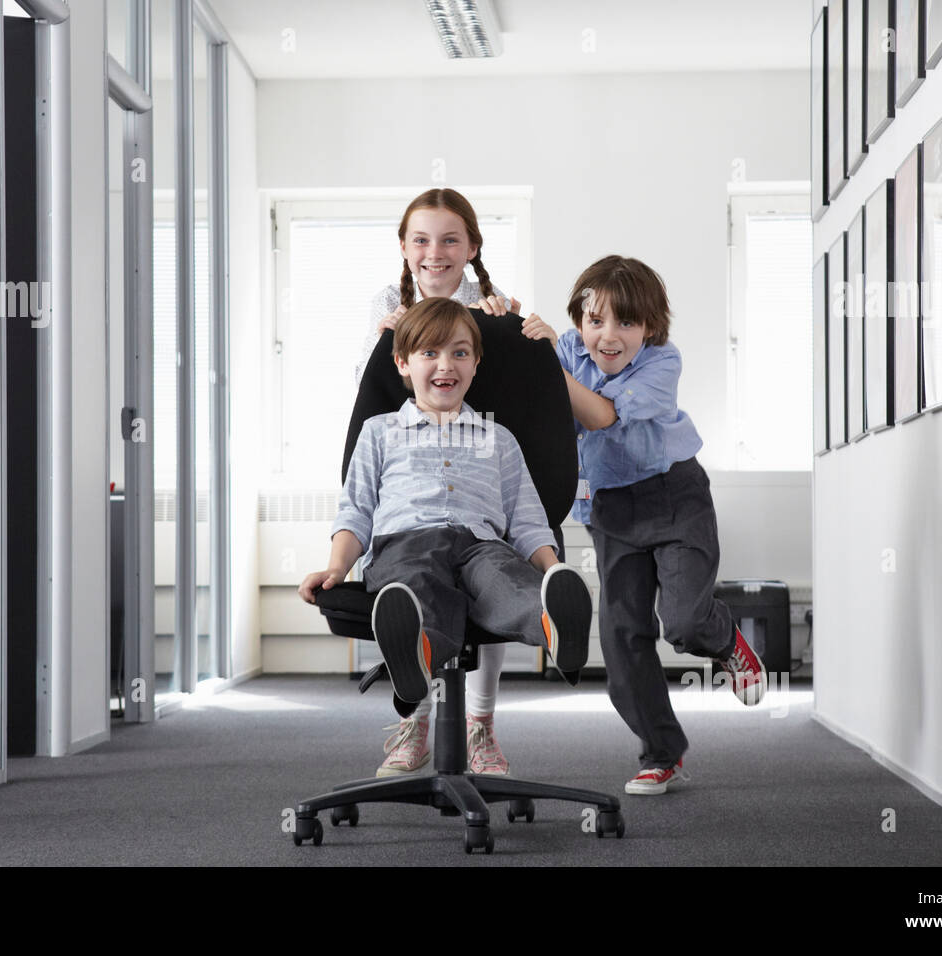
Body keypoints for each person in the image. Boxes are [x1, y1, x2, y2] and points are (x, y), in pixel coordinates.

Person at [301, 298, 592, 764]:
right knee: (415, 585)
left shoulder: (498, 438)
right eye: (430, 353)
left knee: (506, 579)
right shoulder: (379, 432)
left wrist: (554, 570)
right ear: (402, 363)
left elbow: (527, 519)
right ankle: (419, 649)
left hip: (481, 545)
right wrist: (336, 567)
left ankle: (552, 622)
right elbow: (356, 510)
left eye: (459, 353)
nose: (445, 365)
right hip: (405, 543)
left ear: (476, 364)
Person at [518, 255, 767, 796]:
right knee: (622, 636)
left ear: (650, 328)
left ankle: (725, 639)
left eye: (626, 323)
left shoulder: (662, 362)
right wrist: (515, 323)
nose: (608, 336)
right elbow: (518, 364)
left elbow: (602, 415)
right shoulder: (562, 350)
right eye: (595, 320)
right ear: (578, 320)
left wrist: (548, 366)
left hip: (675, 497)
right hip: (612, 509)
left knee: (682, 623)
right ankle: (662, 753)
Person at [353, 188, 527, 779]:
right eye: (421, 240)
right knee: (417, 577)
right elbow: (369, 395)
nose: (436, 253)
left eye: (451, 239)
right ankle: (415, 719)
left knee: (493, 572)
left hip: (480, 467)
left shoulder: (494, 309)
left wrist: (537, 338)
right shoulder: (387, 307)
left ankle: (480, 727)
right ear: (404, 248)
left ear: (473, 247)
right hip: (411, 479)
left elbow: (531, 396)